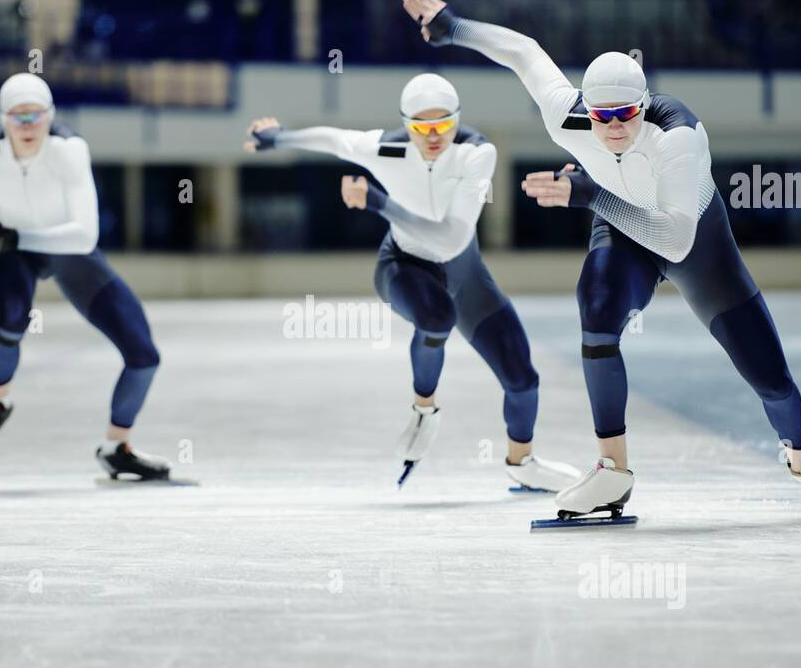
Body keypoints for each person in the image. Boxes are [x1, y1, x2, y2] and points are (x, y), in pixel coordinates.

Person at [401, 0, 801, 518]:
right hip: (623, 230)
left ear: (643, 106)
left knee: (770, 379)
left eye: (626, 114)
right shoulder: (569, 116)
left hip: (696, 241)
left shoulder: (676, 136)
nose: (614, 128)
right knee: (596, 308)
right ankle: (612, 470)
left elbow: (674, 239)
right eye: (602, 117)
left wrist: (589, 194)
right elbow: (525, 52)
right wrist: (453, 26)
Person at [244, 74, 576, 492]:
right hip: (404, 266)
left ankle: (521, 461)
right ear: (406, 124)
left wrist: (378, 203)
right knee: (437, 318)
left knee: (524, 380)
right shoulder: (386, 147)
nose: (434, 136)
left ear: (458, 120)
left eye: (443, 125)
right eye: (421, 127)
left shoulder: (477, 153)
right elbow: (335, 140)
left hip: (465, 271)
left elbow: (452, 237)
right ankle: (424, 408)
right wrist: (279, 138)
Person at [0, 72, 170, 480]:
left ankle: (117, 447)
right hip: (14, 252)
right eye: (18, 118)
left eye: (36, 117)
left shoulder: (69, 151)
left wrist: (15, 235)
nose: (27, 127)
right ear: (4, 119)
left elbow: (85, 236)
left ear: (51, 115)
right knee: (11, 323)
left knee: (144, 356)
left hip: (63, 249)